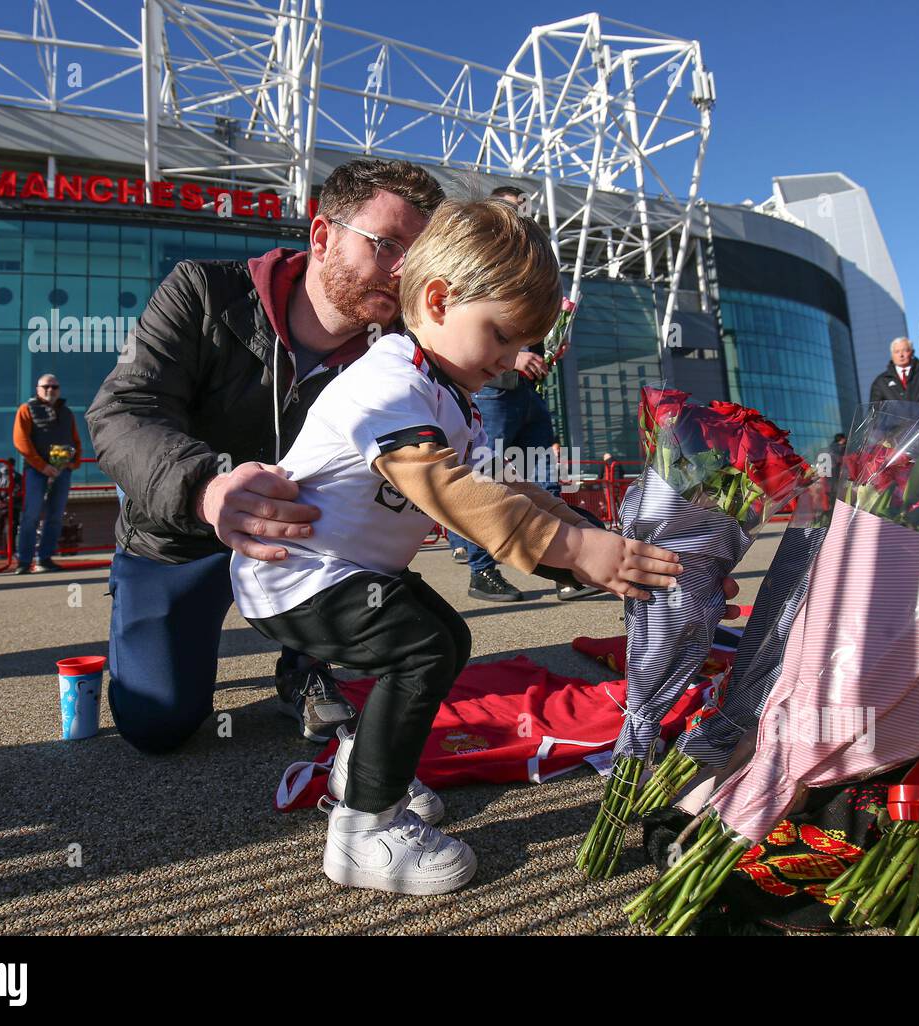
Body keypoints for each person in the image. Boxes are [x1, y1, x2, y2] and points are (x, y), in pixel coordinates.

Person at [230, 199, 683, 895]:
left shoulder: (447, 389)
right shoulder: (392, 383)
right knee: (424, 648)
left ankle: (365, 762)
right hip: (296, 575)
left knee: (441, 637)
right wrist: (575, 550)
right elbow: (453, 492)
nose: (507, 362)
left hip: (341, 570)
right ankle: (364, 832)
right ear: (438, 300)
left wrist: (591, 540)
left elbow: (499, 486)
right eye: (501, 337)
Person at [86, 159, 445, 754]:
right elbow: (122, 411)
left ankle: (302, 664)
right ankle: (152, 629)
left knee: (402, 656)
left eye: (418, 255)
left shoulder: (401, 350)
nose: (403, 271)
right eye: (387, 245)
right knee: (158, 726)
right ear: (323, 236)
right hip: (180, 534)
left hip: (308, 544)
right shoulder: (201, 291)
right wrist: (206, 490)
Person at [446, 185, 600, 602]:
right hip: (494, 393)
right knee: (487, 481)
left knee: (545, 482)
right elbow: (464, 321)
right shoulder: (480, 261)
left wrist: (548, 344)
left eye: (526, 210)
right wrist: (512, 358)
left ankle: (566, 571)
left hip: (528, 395)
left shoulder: (526, 266)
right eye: (516, 209)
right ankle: (482, 572)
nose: (524, 216)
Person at [12, 374, 82, 574]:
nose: (50, 390)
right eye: (46, 386)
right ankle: (24, 561)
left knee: (55, 516)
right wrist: (42, 466)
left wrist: (72, 463)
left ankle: (45, 558)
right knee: (30, 515)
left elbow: (75, 440)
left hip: (63, 471)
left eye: (54, 386)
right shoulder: (26, 409)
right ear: (37, 388)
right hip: (35, 471)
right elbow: (21, 441)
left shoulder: (67, 412)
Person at [0, 458, 19, 560]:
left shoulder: (17, 476)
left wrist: (5, 501)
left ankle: (12, 551)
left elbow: (17, 490)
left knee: (11, 530)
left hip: (11, 507)